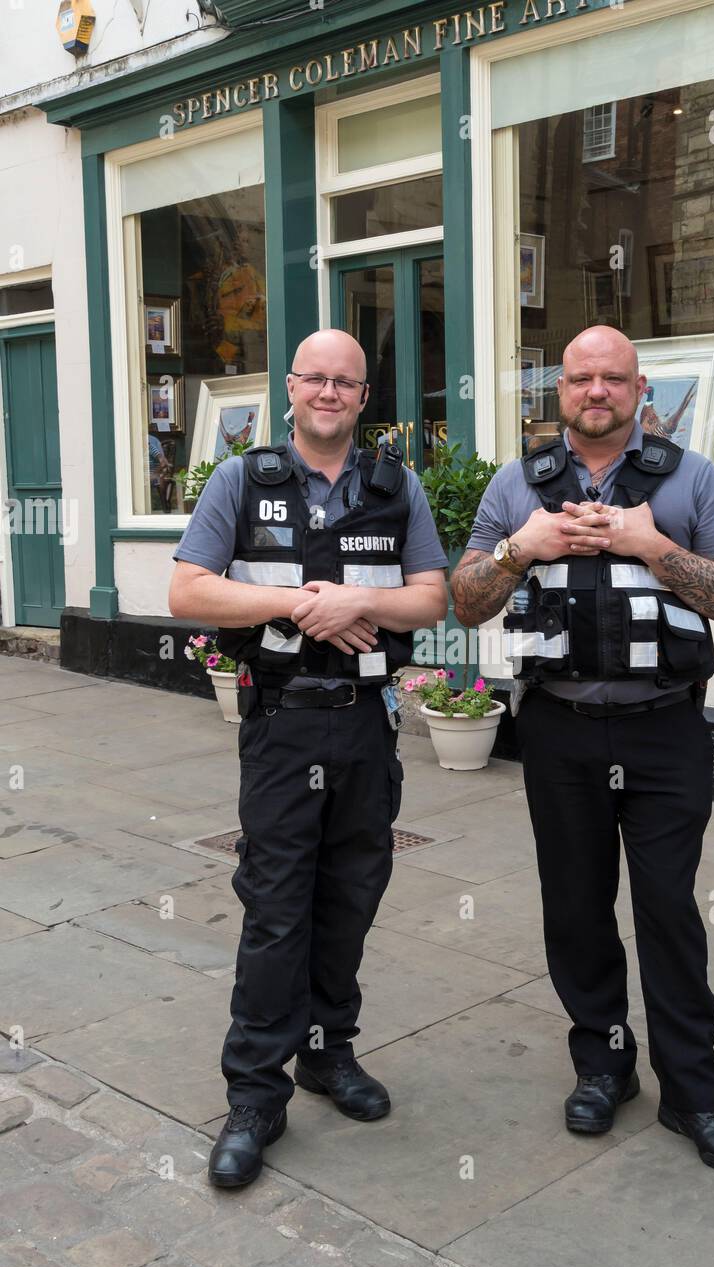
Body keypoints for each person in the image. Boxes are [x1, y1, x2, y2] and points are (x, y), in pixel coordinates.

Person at [451, 326, 714, 1171]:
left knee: (667, 912)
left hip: (664, 729)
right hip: (557, 730)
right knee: (576, 910)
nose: (596, 392)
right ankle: (602, 1065)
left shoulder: (689, 476)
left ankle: (693, 1096)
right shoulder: (519, 485)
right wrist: (524, 547)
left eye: (612, 379)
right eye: (580, 378)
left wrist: (650, 545)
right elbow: (465, 602)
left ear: (638, 390)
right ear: (561, 392)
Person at [169, 329, 448, 1188]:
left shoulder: (396, 487)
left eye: (346, 382)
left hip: (366, 726)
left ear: (365, 399)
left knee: (350, 899)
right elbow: (187, 589)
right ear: (290, 390)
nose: (330, 393)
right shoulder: (240, 481)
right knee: (277, 909)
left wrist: (362, 601)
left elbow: (432, 595)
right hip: (284, 729)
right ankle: (253, 1095)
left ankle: (327, 1054)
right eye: (315, 379)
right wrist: (300, 605)